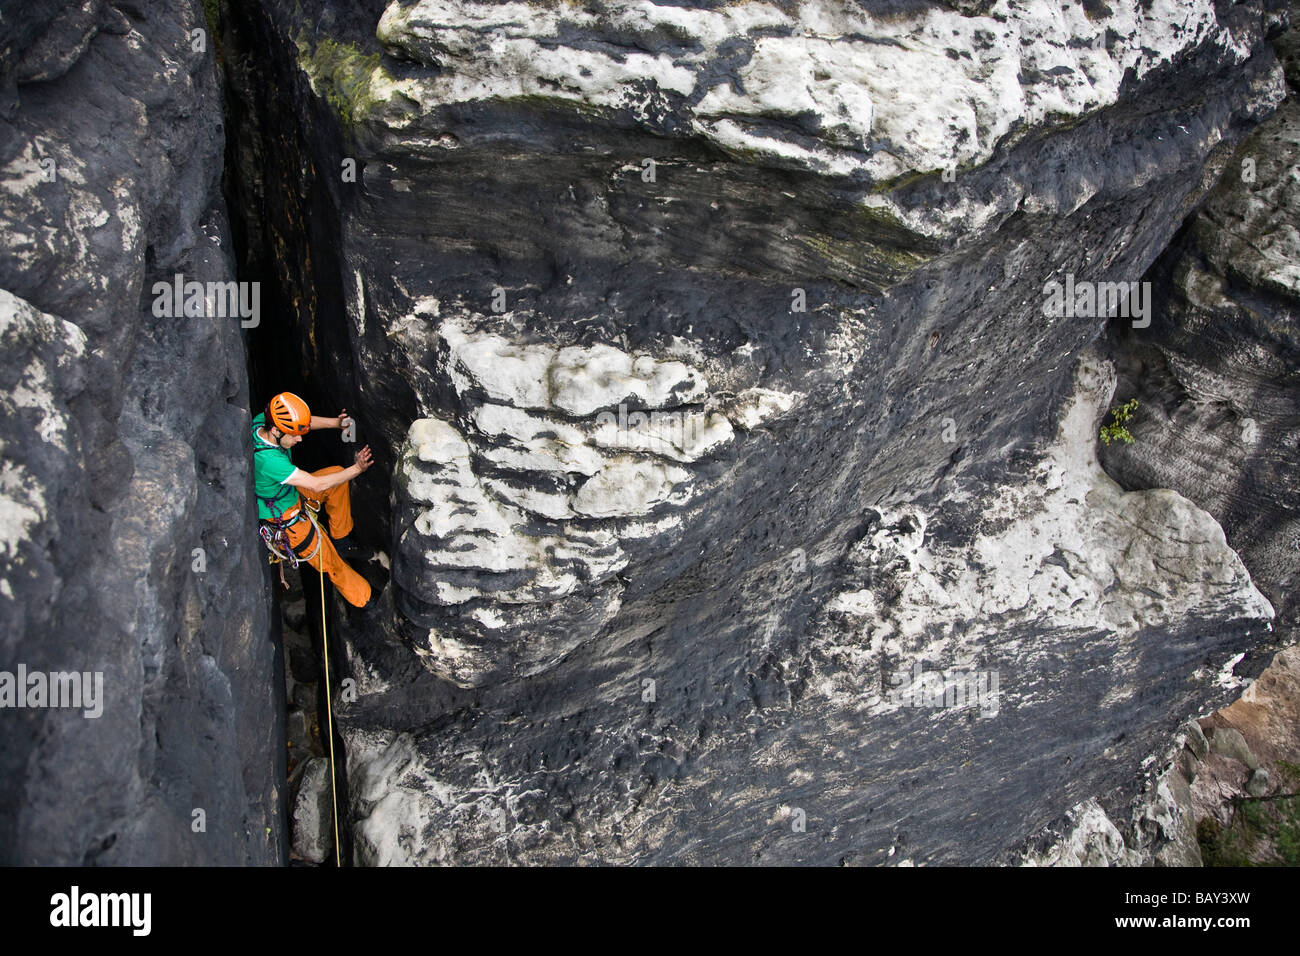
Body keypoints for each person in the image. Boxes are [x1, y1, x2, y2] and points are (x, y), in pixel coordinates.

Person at [252, 391, 375, 608]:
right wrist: (357, 468)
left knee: (336, 476)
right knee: (333, 565)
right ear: (276, 431)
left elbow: (304, 424)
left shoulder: (262, 423)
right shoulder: (269, 460)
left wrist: (336, 423)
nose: (300, 439)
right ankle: (365, 600)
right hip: (287, 521)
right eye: (294, 435)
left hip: (291, 493)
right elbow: (317, 485)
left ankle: (342, 539)